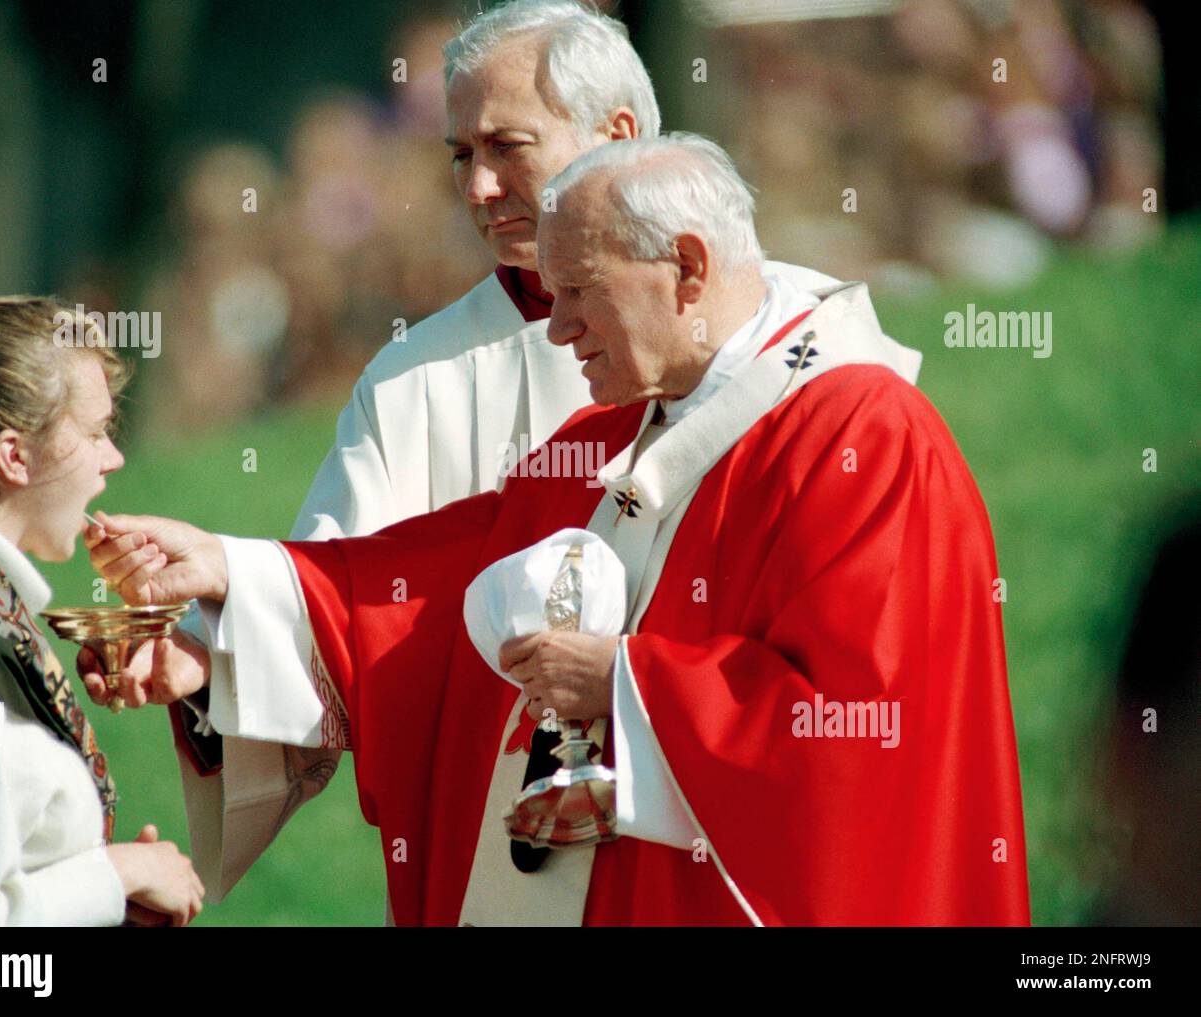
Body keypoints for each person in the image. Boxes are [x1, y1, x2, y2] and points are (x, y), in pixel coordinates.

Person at [85, 134, 1030, 926]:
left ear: (688, 270)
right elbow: (434, 595)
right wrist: (231, 581)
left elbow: (867, 734)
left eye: (579, 290)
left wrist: (620, 683)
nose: (560, 327)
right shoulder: (620, 434)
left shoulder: (861, 434)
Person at [88, 0, 851, 903]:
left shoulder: (806, 358)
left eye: (508, 147)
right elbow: (360, 610)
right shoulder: (419, 380)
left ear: (617, 133)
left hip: (721, 873)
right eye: (460, 156)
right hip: (507, 877)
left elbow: (852, 690)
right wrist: (211, 666)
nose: (479, 187)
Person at [0, 297, 204, 926]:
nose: (112, 458)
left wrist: (104, 899)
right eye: (94, 433)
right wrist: (119, 873)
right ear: (14, 456)